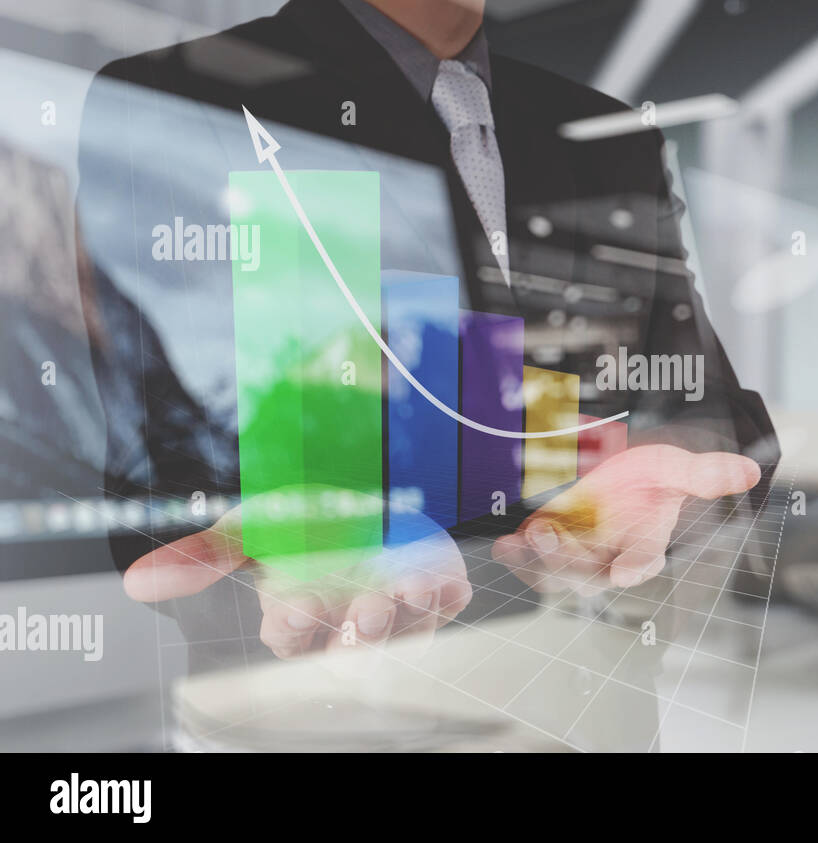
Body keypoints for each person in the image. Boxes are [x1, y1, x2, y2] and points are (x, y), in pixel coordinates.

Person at [77, 0, 778, 748]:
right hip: (324, 717)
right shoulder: (178, 99)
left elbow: (697, 406)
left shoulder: (608, 132)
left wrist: (672, 478)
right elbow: (156, 457)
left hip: (586, 708)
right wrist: (295, 539)